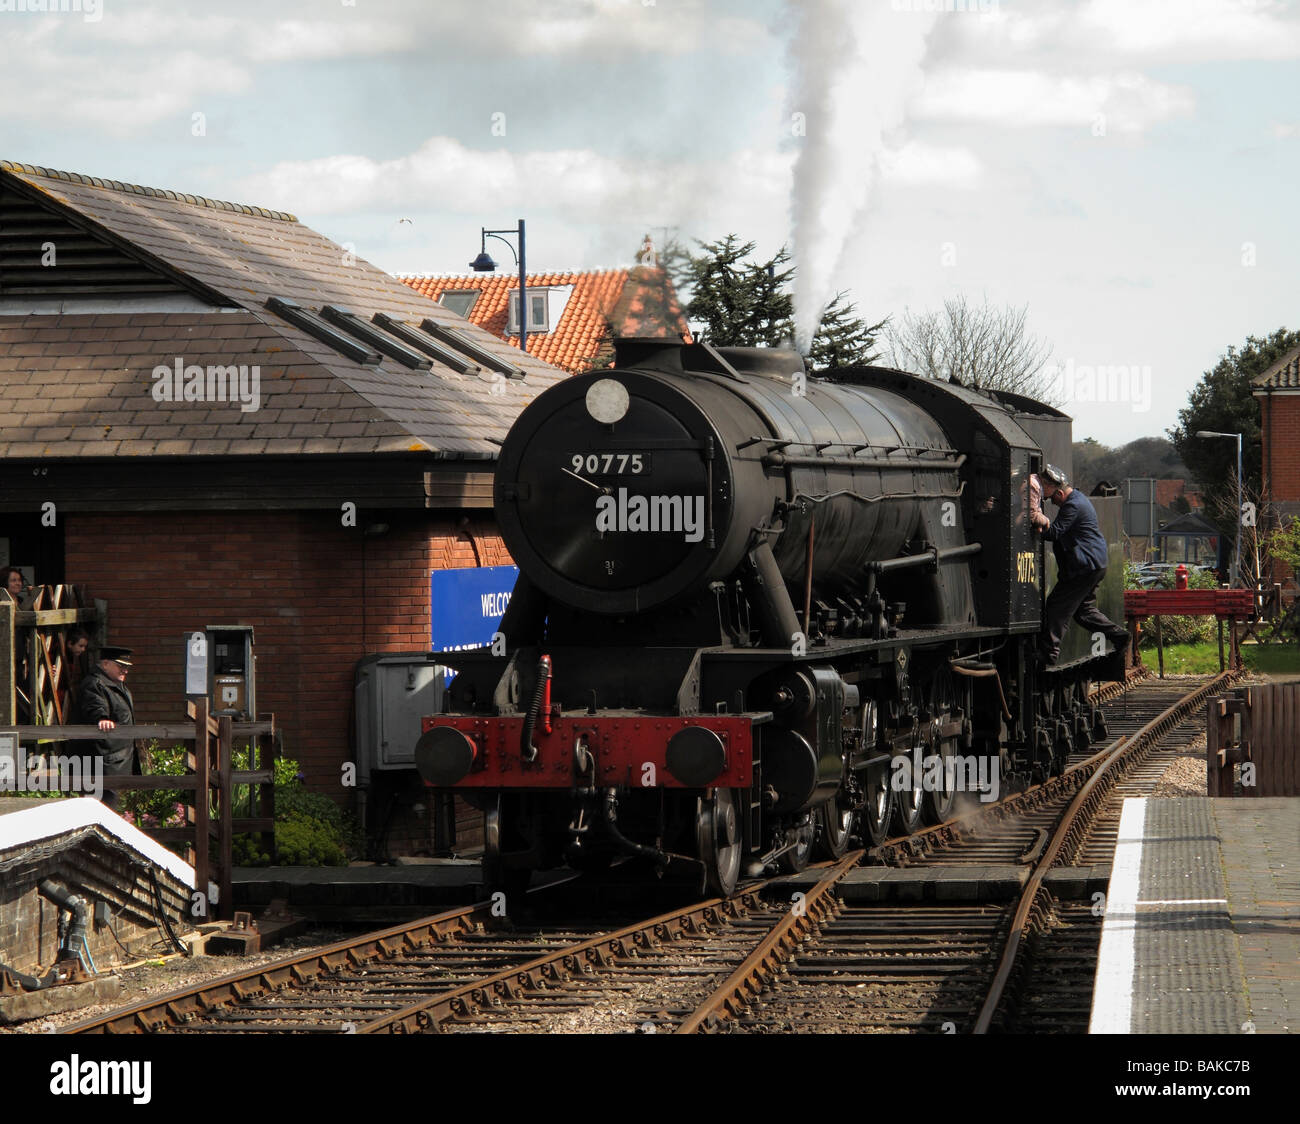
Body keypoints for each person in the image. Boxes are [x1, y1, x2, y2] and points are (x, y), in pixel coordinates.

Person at [1032, 465, 1129, 666]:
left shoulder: (1072, 505)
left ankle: (1048, 654)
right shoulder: (1078, 500)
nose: (1051, 502)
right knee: (1083, 612)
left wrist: (1037, 519)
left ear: (1059, 492)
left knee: (1056, 607)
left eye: (1052, 498)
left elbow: (1054, 533)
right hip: (1093, 564)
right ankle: (1119, 636)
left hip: (1084, 566)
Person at [76, 645, 138, 809]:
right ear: (105, 664)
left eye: (127, 667)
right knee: (101, 811)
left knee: (112, 811)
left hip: (117, 762)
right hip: (103, 764)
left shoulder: (118, 686)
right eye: (120, 666)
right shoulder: (96, 684)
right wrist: (101, 718)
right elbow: (94, 705)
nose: (125, 670)